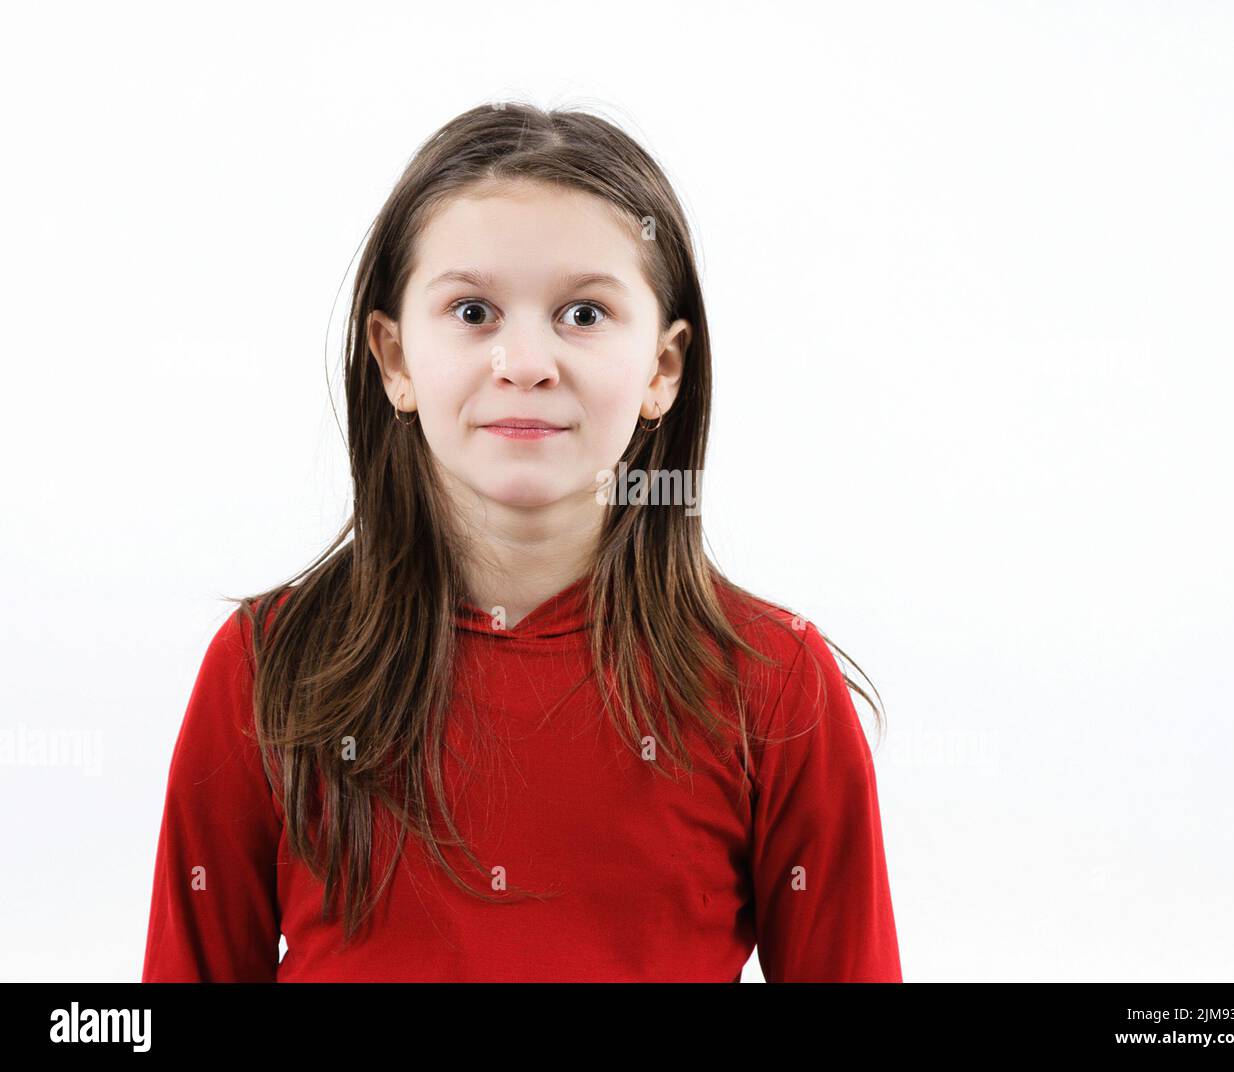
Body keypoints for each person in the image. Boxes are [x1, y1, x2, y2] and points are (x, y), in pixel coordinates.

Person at [141, 102, 902, 982]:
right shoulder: (268, 670)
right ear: (394, 359)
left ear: (663, 368)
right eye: (472, 311)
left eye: (583, 314)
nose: (526, 362)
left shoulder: (773, 685)